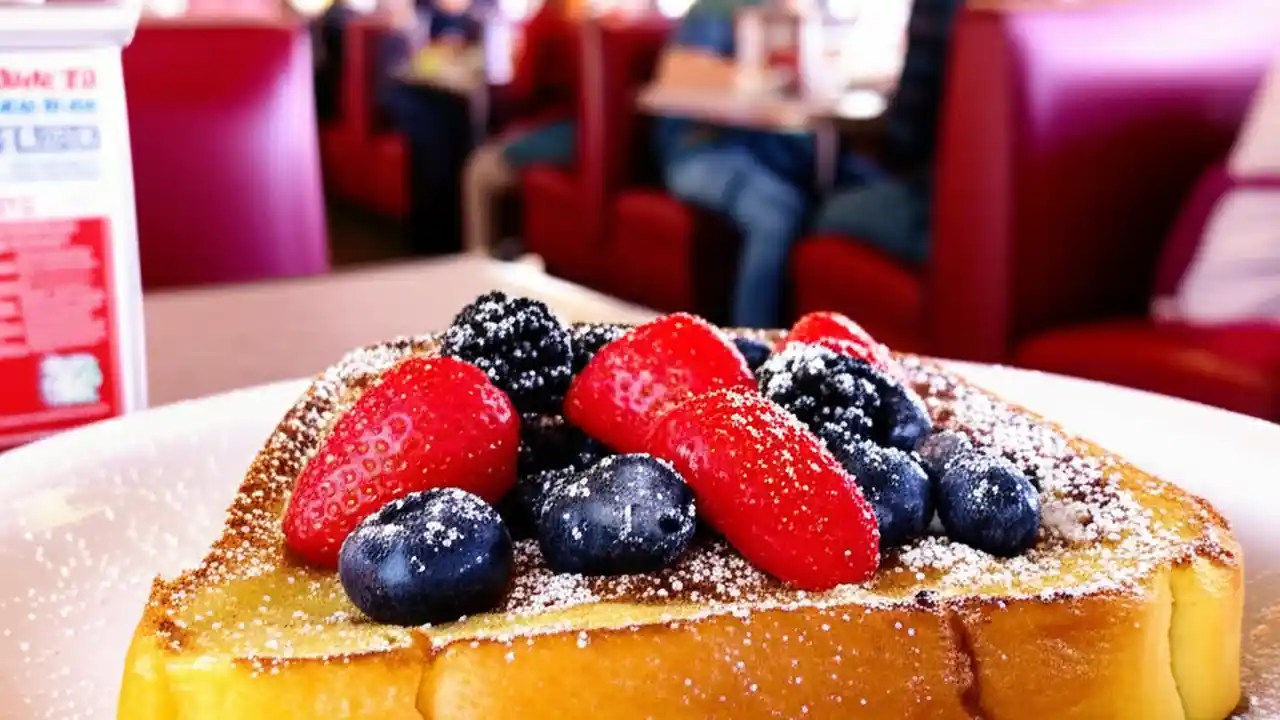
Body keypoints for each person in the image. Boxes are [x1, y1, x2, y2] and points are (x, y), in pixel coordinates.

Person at [652, 0, 814, 327]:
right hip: (702, 152)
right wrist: (761, 79)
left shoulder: (797, 15)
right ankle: (752, 344)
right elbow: (679, 75)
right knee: (776, 211)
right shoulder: (717, 8)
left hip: (768, 151)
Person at [811, 0, 964, 266]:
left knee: (815, 210)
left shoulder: (939, 8)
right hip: (1023, 224)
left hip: (938, 219)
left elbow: (907, 138)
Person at [462, 0, 583, 256]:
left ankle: (477, 262)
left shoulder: (545, 21)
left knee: (479, 170)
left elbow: (523, 90)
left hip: (570, 132)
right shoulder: (587, 18)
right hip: (600, 136)